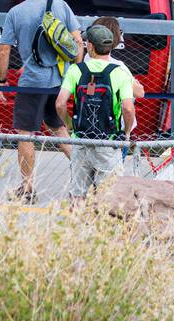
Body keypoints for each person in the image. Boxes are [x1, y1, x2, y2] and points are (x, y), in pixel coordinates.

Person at [0, 0, 81, 203]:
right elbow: (78, 42)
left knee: (25, 135)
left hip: (31, 83)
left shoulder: (15, 13)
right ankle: (86, 177)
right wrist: (73, 75)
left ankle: (28, 188)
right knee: (60, 131)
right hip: (59, 82)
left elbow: (3, 50)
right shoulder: (60, 5)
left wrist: (2, 80)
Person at [55, 23, 137, 202]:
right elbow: (128, 108)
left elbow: (60, 104)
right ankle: (103, 228)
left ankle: (77, 226)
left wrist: (70, 126)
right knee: (110, 196)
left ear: (90, 46)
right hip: (108, 142)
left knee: (78, 195)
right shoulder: (120, 73)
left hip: (81, 140)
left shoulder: (76, 70)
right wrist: (127, 132)